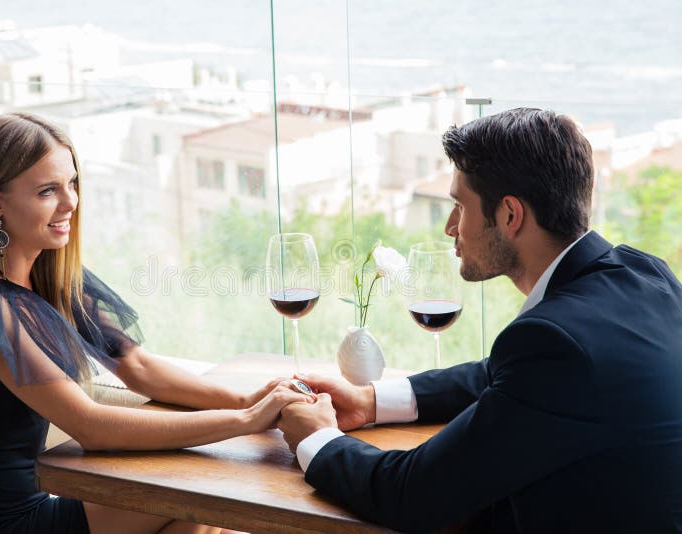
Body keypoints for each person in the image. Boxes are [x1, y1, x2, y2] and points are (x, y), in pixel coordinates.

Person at [0, 112, 312, 534]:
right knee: (204, 505)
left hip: (41, 500)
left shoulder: (48, 276)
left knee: (199, 523)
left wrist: (247, 400)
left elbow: (139, 368)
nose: (70, 203)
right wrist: (246, 422)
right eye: (47, 191)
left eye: (72, 184)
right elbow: (90, 426)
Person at [277, 108, 682, 533]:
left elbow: (411, 496)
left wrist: (317, 438)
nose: (451, 227)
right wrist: (370, 401)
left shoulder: (557, 345)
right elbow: (504, 377)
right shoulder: (644, 273)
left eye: (459, 206)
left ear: (510, 215)